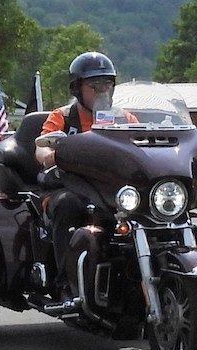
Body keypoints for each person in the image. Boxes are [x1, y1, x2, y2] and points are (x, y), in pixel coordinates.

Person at [34, 51, 138, 300]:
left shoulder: (125, 118)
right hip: (67, 185)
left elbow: (141, 144)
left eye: (107, 84)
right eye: (94, 85)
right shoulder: (62, 117)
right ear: (77, 88)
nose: (103, 91)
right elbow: (41, 146)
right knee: (68, 205)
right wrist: (49, 154)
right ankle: (63, 283)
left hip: (112, 189)